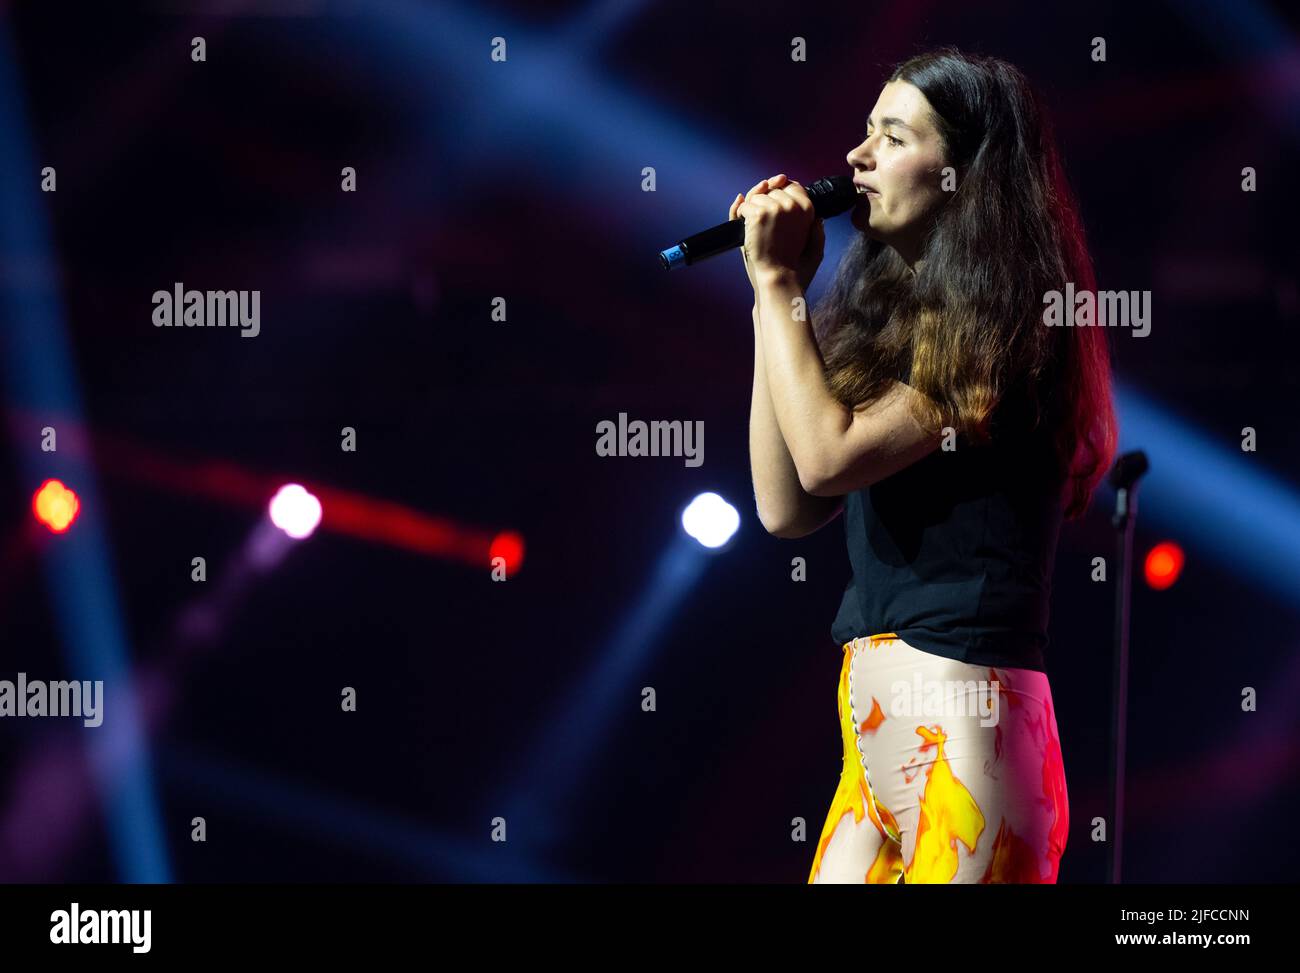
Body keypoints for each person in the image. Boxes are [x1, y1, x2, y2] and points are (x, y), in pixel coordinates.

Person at [731, 48, 1117, 883]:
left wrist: (772, 290)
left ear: (964, 176)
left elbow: (831, 457)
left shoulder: (1009, 324)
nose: (856, 158)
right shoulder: (903, 322)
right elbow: (785, 504)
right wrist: (782, 298)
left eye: (892, 136)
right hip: (873, 737)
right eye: (864, 132)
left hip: (967, 730)